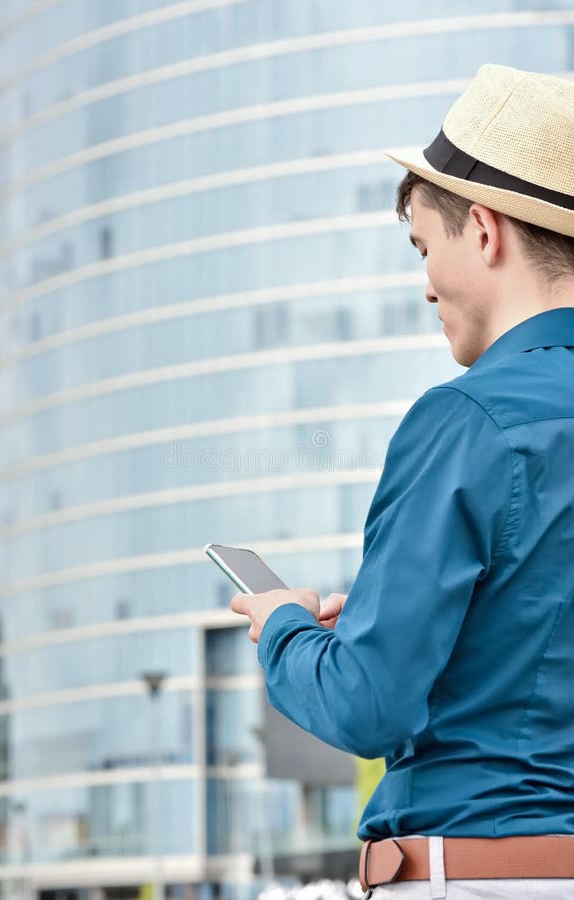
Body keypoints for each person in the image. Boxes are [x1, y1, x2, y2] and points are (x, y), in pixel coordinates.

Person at [230, 64, 574, 898]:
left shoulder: (467, 419)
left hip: (480, 873)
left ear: (484, 230)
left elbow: (365, 705)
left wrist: (283, 627)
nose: (424, 283)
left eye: (425, 246)